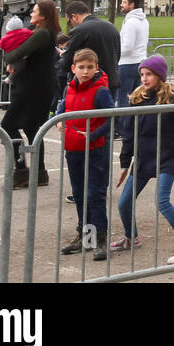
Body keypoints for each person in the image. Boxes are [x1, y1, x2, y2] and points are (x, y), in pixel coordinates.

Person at [114, 55, 174, 264]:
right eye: (142, 74)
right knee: (124, 203)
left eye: (149, 74)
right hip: (143, 159)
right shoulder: (136, 100)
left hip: (166, 158)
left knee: (162, 201)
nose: (144, 78)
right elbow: (129, 134)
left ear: (160, 76)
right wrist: (125, 164)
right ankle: (131, 237)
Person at [55, 48, 114, 260]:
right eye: (81, 67)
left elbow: (111, 118)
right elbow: (61, 109)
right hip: (73, 150)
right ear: (74, 69)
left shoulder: (101, 91)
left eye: (90, 67)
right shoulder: (69, 89)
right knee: (79, 195)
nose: (86, 71)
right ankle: (85, 237)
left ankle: (101, 240)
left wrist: (94, 134)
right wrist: (58, 121)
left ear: (96, 68)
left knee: (95, 195)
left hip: (95, 150)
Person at [2, 0, 60, 188]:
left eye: (35, 11)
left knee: (8, 125)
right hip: (39, 85)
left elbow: (14, 55)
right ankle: (39, 172)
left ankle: (21, 171)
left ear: (43, 15)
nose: (31, 14)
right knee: (32, 129)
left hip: (32, 87)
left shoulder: (42, 33)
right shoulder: (44, 33)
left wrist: (8, 54)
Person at [63, 1, 121, 109]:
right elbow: (117, 55)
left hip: (89, 85)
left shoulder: (79, 30)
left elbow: (67, 63)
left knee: (87, 122)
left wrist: (62, 57)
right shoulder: (111, 27)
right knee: (107, 120)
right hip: (111, 81)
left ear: (74, 17)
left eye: (69, 22)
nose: (70, 25)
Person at [116, 0, 148, 112]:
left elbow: (127, 47)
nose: (121, 5)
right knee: (138, 98)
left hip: (127, 64)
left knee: (123, 99)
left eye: (124, 2)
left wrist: (116, 54)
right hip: (141, 62)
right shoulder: (144, 20)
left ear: (132, 5)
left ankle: (123, 127)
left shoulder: (130, 22)